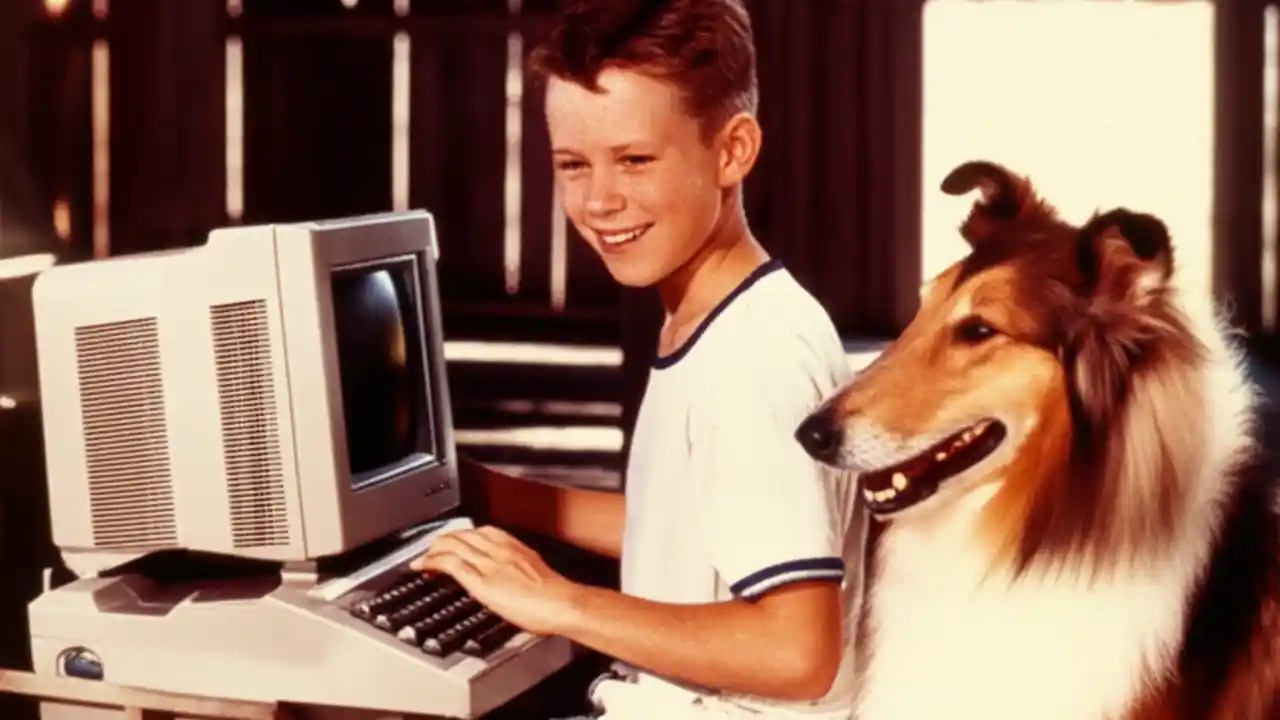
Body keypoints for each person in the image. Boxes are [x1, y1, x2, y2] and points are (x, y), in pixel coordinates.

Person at [412, 1, 865, 717]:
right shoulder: (717, 317)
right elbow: (689, 526)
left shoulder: (753, 359)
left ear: (733, 150)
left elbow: (797, 652)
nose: (600, 201)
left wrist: (561, 602)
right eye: (573, 165)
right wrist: (480, 492)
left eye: (634, 160)